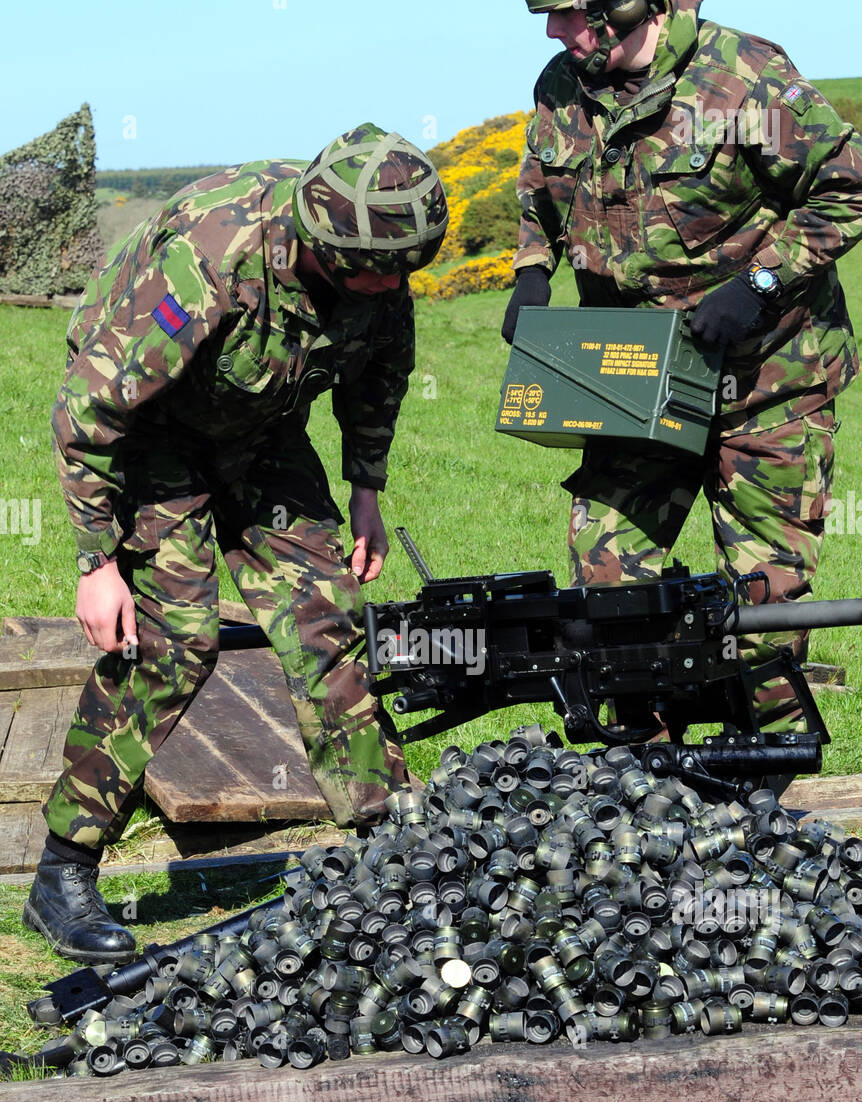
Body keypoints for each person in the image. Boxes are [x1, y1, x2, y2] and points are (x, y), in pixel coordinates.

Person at [23, 123, 449, 965]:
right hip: (155, 434)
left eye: (403, 270)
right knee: (176, 645)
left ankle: (387, 851)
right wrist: (95, 562)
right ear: (325, 243)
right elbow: (89, 410)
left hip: (261, 430)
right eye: (376, 271)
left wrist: (366, 487)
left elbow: (381, 373)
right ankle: (62, 872)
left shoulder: (379, 258)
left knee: (326, 617)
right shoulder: (213, 257)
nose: (391, 286)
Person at [504, 0, 862, 730]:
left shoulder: (744, 77)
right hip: (636, 376)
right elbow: (537, 191)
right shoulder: (562, 85)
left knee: (765, 597)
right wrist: (531, 271)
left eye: (568, 15)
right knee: (607, 572)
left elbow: (846, 186)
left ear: (622, 9)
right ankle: (644, 762)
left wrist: (760, 285)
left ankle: (772, 781)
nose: (552, 32)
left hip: (769, 374)